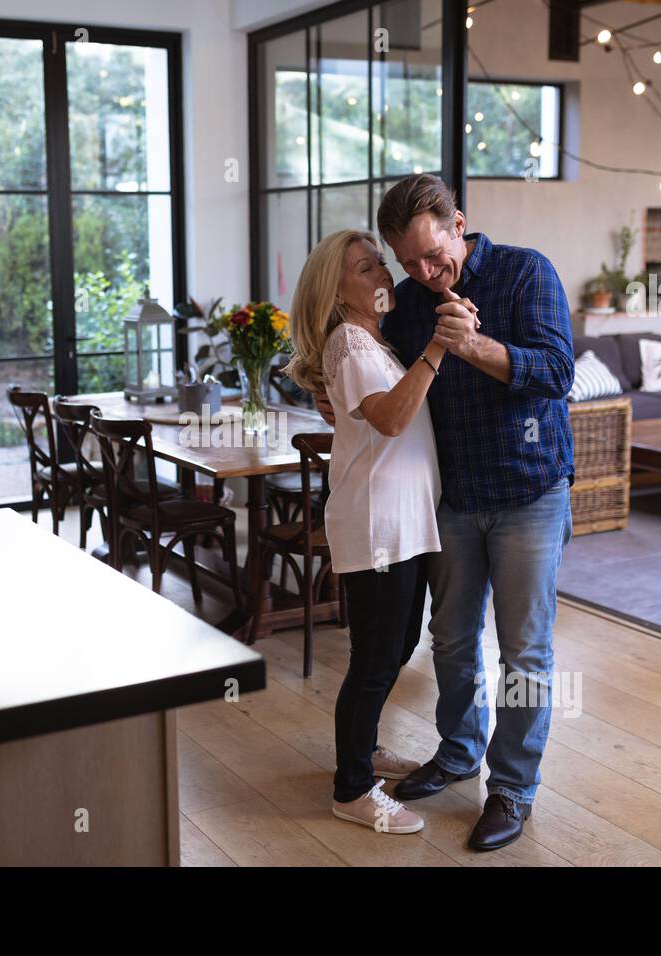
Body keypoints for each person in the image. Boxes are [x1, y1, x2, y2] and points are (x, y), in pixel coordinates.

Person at [314, 174, 574, 851]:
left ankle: (511, 788)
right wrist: (327, 394)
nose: (426, 273)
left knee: (525, 652)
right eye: (408, 263)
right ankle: (458, 752)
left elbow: (555, 372)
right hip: (451, 502)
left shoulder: (526, 274)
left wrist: (475, 346)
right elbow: (365, 359)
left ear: (459, 223)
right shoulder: (407, 304)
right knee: (452, 642)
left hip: (529, 496)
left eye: (435, 255)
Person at [282, 228, 447, 835]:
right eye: (365, 269)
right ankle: (352, 789)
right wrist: (435, 351)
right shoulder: (351, 343)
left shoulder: (374, 343)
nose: (382, 275)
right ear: (338, 290)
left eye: (381, 265)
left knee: (396, 647)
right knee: (376, 658)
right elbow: (392, 420)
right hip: (377, 524)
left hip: (402, 524)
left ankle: (365, 750)